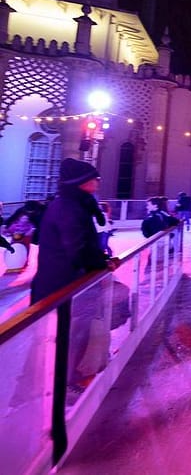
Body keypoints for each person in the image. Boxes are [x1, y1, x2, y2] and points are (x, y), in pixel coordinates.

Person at [30, 159, 118, 391]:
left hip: (71, 283)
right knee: (67, 336)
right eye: (93, 178)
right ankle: (62, 385)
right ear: (81, 182)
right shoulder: (67, 207)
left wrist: (100, 261)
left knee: (75, 332)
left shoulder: (77, 204)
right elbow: (76, 248)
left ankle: (71, 377)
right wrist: (100, 263)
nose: (97, 182)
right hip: (62, 285)